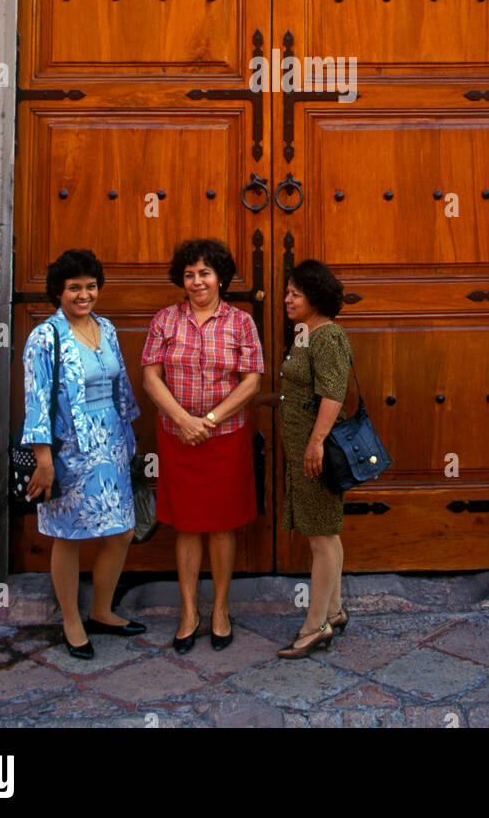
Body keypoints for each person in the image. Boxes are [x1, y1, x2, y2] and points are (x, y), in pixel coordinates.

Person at [21, 248, 145, 658]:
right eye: (74, 287)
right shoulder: (45, 337)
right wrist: (43, 461)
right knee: (68, 536)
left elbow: (120, 385)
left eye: (90, 286)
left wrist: (129, 438)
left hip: (110, 443)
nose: (83, 295)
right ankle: (72, 621)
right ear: (59, 291)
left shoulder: (106, 328)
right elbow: (37, 401)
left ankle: (102, 611)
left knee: (123, 530)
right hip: (69, 452)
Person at [141, 238, 263, 652]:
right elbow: (151, 376)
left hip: (225, 437)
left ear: (220, 278)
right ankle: (189, 611)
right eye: (190, 274)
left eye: (205, 273)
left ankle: (221, 609)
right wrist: (183, 419)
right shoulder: (164, 320)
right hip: (178, 437)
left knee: (222, 525)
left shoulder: (241, 322)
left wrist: (209, 420)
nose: (197, 282)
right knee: (187, 525)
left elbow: (252, 380)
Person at [267, 259, 352, 658]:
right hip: (304, 449)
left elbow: (335, 393)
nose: (287, 299)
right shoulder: (306, 334)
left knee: (322, 537)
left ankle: (314, 625)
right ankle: (333, 611)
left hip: (315, 453)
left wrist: (316, 443)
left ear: (315, 298)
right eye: (288, 292)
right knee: (324, 532)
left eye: (295, 294)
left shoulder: (327, 337)